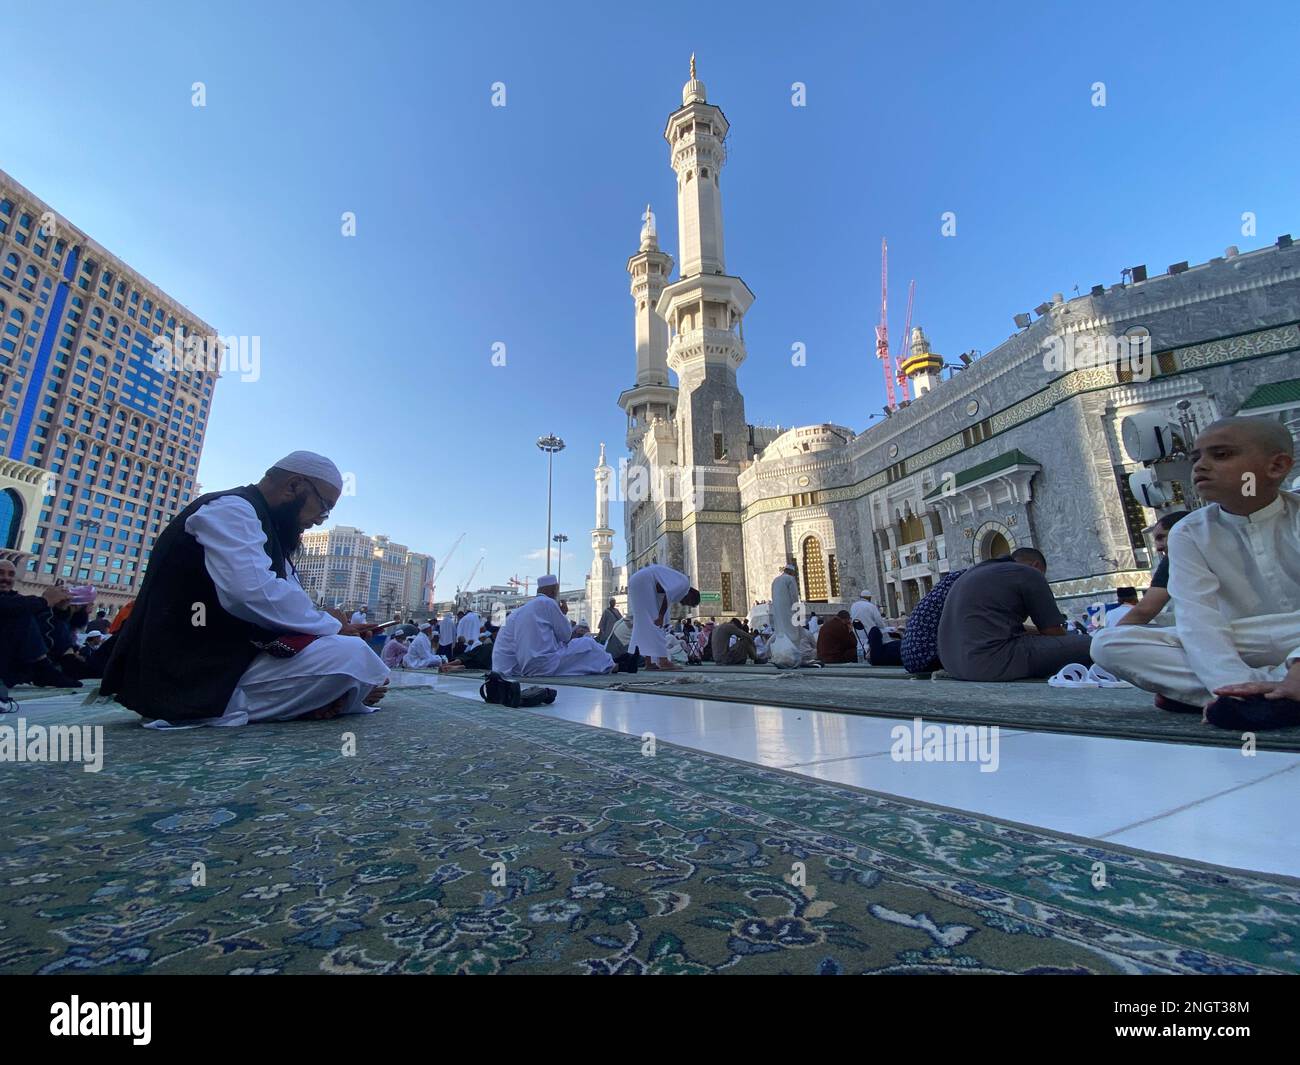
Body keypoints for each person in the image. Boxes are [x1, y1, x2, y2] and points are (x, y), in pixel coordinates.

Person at [101, 451, 389, 726]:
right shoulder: (233, 510)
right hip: (187, 670)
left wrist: (332, 623)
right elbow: (252, 595)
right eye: (325, 506)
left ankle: (323, 696)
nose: (319, 519)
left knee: (354, 657)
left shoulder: (269, 531)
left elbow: (286, 599)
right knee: (351, 657)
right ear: (294, 485)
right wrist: (331, 627)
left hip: (226, 661)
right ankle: (296, 700)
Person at [1092, 417, 1300, 729]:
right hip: (1242, 640)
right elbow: (1198, 620)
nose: (1200, 466)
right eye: (1195, 457)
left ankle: (1242, 695)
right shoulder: (1188, 532)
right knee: (1109, 644)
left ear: (1277, 466)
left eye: (1221, 455)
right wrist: (1233, 685)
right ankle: (1256, 698)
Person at [936, 547, 1092, 682]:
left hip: (953, 665)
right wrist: (1072, 638)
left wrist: (1038, 632)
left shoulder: (977, 571)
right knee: (1091, 644)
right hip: (989, 662)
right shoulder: (1029, 572)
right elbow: (1052, 632)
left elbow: (997, 626)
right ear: (1036, 566)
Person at [491, 575, 614, 676]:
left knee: (582, 649)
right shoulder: (548, 603)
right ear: (554, 590)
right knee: (588, 643)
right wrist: (563, 614)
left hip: (506, 668)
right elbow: (566, 636)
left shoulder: (522, 610)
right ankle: (612, 665)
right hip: (537, 667)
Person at [0, 560, 81, 688]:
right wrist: (45, 600)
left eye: (10, 574)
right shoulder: (14, 605)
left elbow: (40, 622)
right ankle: (42, 668)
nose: (5, 578)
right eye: (1, 573)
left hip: (15, 666)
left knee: (29, 612)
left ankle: (66, 661)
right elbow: (9, 607)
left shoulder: (16, 599)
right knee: (21, 611)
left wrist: (59, 609)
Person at [1116, 510, 1189, 626]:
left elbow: (1145, 610)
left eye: (1161, 537)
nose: (1158, 548)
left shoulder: (1174, 559)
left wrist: (1110, 637)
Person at [626, 563, 701, 670]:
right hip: (644, 581)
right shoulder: (684, 584)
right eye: (688, 602)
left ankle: (649, 662)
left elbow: (663, 595)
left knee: (645, 624)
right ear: (691, 594)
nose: (684, 604)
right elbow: (667, 593)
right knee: (655, 624)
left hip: (637, 580)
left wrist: (662, 617)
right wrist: (660, 616)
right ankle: (663, 661)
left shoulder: (678, 584)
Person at [770, 562, 816, 666]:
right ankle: (791, 659)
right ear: (791, 572)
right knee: (793, 634)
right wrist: (798, 612)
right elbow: (794, 596)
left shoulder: (775, 580)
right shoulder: (790, 579)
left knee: (781, 633)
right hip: (788, 611)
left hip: (777, 612)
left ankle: (781, 657)